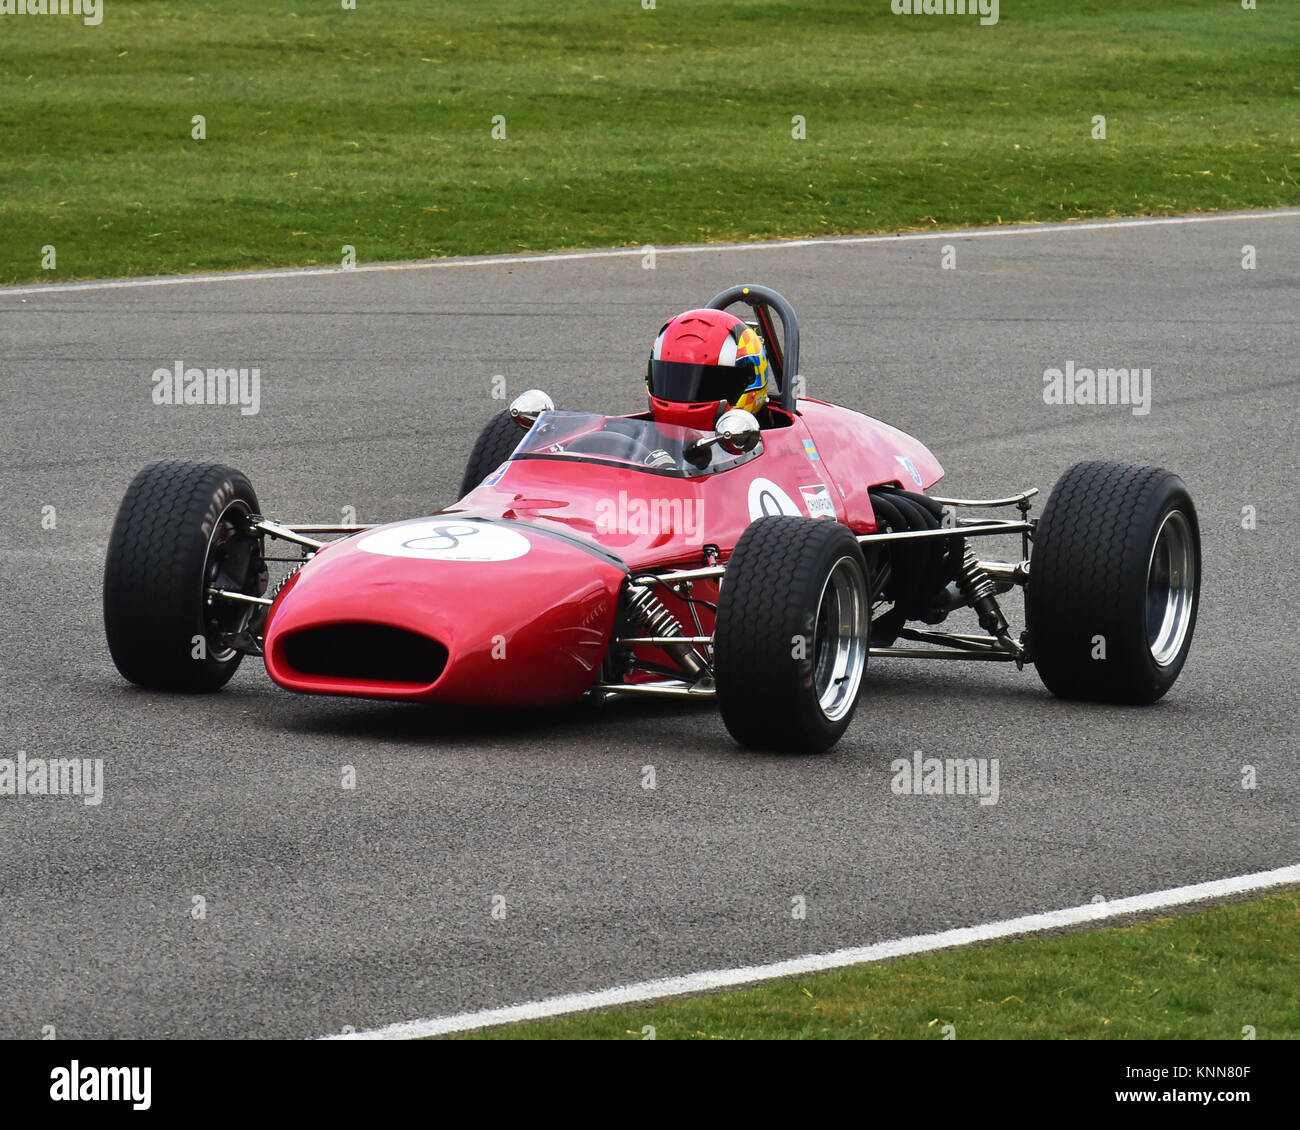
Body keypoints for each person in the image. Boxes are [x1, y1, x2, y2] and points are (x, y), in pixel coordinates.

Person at [646, 309, 771, 431]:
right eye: (674, 381)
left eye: (709, 385)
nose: (680, 400)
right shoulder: (640, 438)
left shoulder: (783, 447)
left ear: (751, 380)